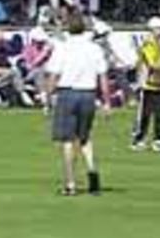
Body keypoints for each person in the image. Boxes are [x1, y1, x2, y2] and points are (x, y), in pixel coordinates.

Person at [42, 13, 110, 196]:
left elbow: (53, 75)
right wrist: (106, 102)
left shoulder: (63, 48)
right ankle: (92, 172)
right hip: (88, 93)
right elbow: (103, 77)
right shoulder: (94, 49)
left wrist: (47, 98)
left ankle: (70, 183)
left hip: (68, 93)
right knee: (85, 137)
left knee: (67, 141)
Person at [133, 16, 160, 152]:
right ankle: (139, 140)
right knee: (144, 114)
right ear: (153, 29)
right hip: (147, 84)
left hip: (157, 83)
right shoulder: (149, 44)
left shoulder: (158, 44)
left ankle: (159, 140)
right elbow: (152, 65)